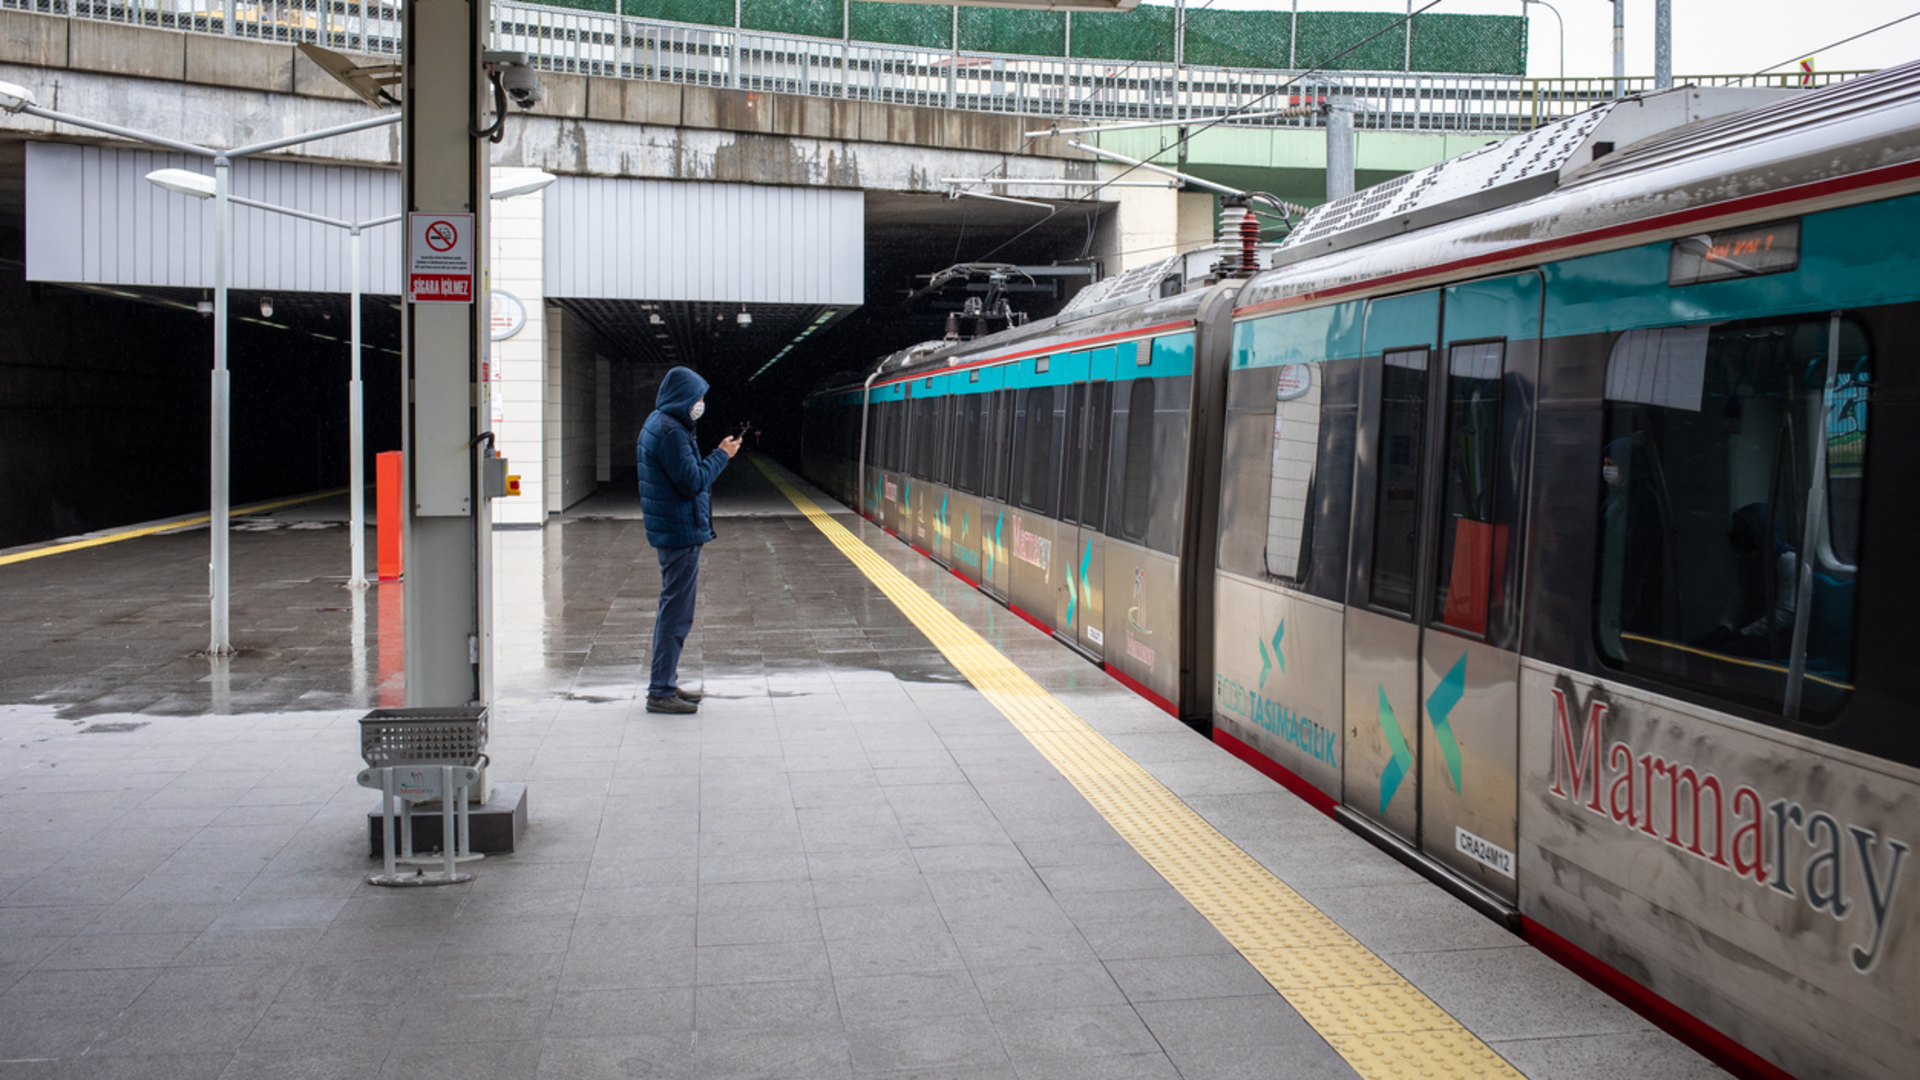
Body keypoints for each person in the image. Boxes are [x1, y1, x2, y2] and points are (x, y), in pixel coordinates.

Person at [637, 367, 741, 714]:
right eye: (697, 397)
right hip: (678, 533)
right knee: (676, 615)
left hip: (674, 530)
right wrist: (722, 455)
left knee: (674, 611)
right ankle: (660, 692)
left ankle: (665, 683)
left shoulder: (661, 423)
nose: (700, 404)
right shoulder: (671, 431)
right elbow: (693, 481)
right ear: (684, 396)